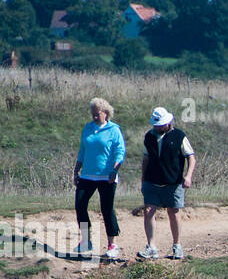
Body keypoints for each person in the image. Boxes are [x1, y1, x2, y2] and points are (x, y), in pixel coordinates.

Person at [137, 107, 195, 260]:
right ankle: (151, 247)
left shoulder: (179, 136)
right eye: (155, 125)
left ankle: (177, 245)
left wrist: (188, 176)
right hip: (152, 181)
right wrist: (143, 179)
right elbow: (145, 159)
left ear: (168, 123)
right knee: (148, 211)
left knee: (173, 212)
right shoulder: (149, 137)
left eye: (160, 125)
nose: (157, 128)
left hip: (173, 182)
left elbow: (191, 157)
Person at [74, 97, 126, 262]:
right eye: (93, 114)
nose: (94, 117)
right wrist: (76, 171)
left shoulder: (114, 130)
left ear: (105, 113)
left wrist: (114, 170)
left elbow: (120, 151)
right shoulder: (87, 128)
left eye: (97, 114)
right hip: (87, 175)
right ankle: (85, 240)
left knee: (106, 209)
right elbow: (82, 150)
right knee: (80, 205)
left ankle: (112, 244)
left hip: (107, 176)